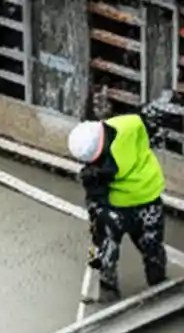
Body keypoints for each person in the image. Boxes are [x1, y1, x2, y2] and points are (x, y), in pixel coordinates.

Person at [67, 98, 172, 302]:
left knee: (108, 248)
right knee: (150, 247)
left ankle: (112, 288)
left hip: (125, 206)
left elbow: (95, 204)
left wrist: (96, 224)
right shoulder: (130, 124)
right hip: (145, 201)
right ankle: (154, 285)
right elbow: (159, 114)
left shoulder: (98, 170)